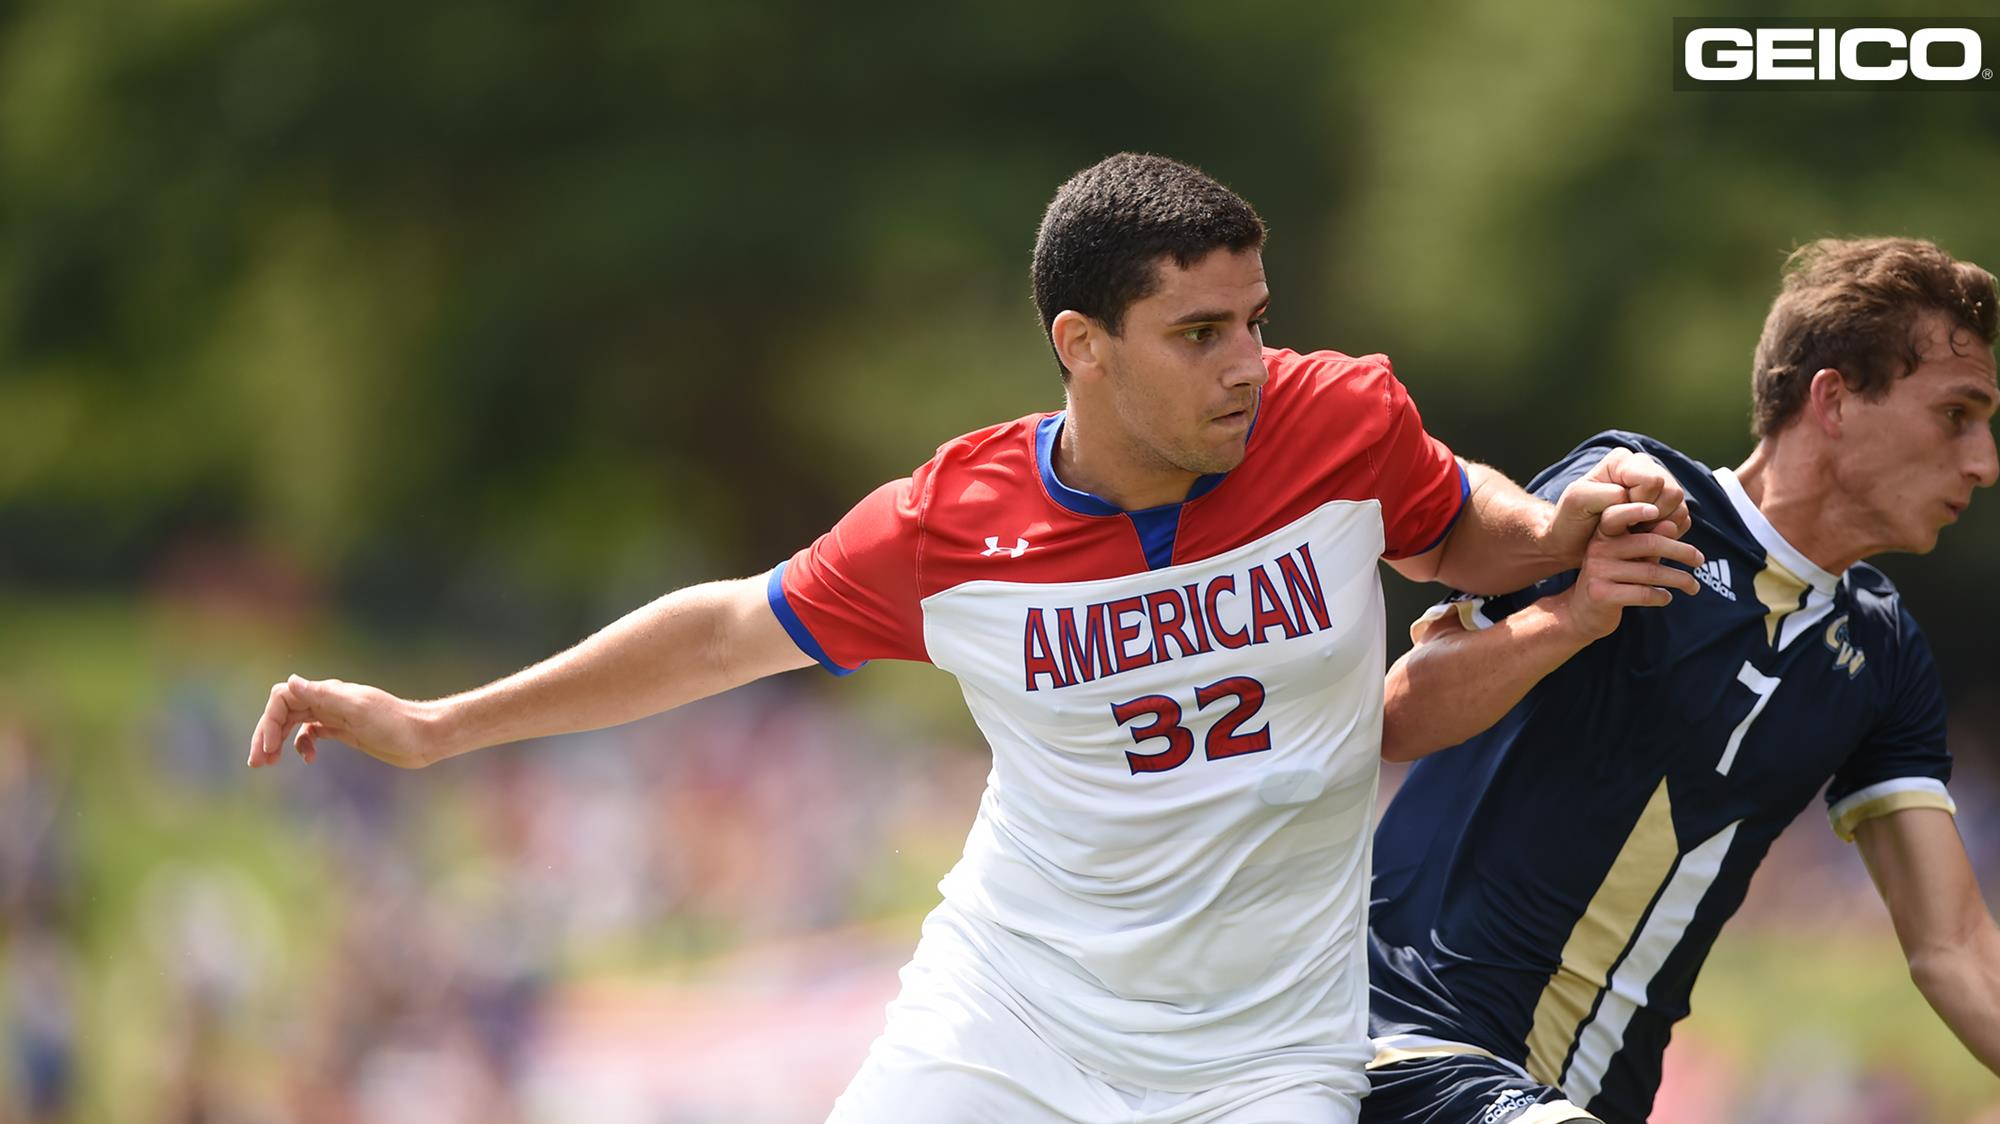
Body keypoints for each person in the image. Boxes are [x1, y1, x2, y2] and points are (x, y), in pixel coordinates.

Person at [247, 153, 1692, 1123]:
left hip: (1263, 1062)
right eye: (1198, 334)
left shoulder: (1337, 420)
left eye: (1255, 320)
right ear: (1082, 345)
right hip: (1009, 1025)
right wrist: (438, 724)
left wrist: (1557, 524)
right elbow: (723, 631)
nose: (1248, 364)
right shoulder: (952, 526)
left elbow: (1452, 526)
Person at [1361, 236, 2000, 1124]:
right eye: (1956, 414)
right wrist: (1572, 615)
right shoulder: (1641, 498)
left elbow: (1956, 944)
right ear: (1834, 400)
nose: (1984, 461)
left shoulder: (1882, 652)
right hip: (1414, 1045)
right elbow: (1398, 716)